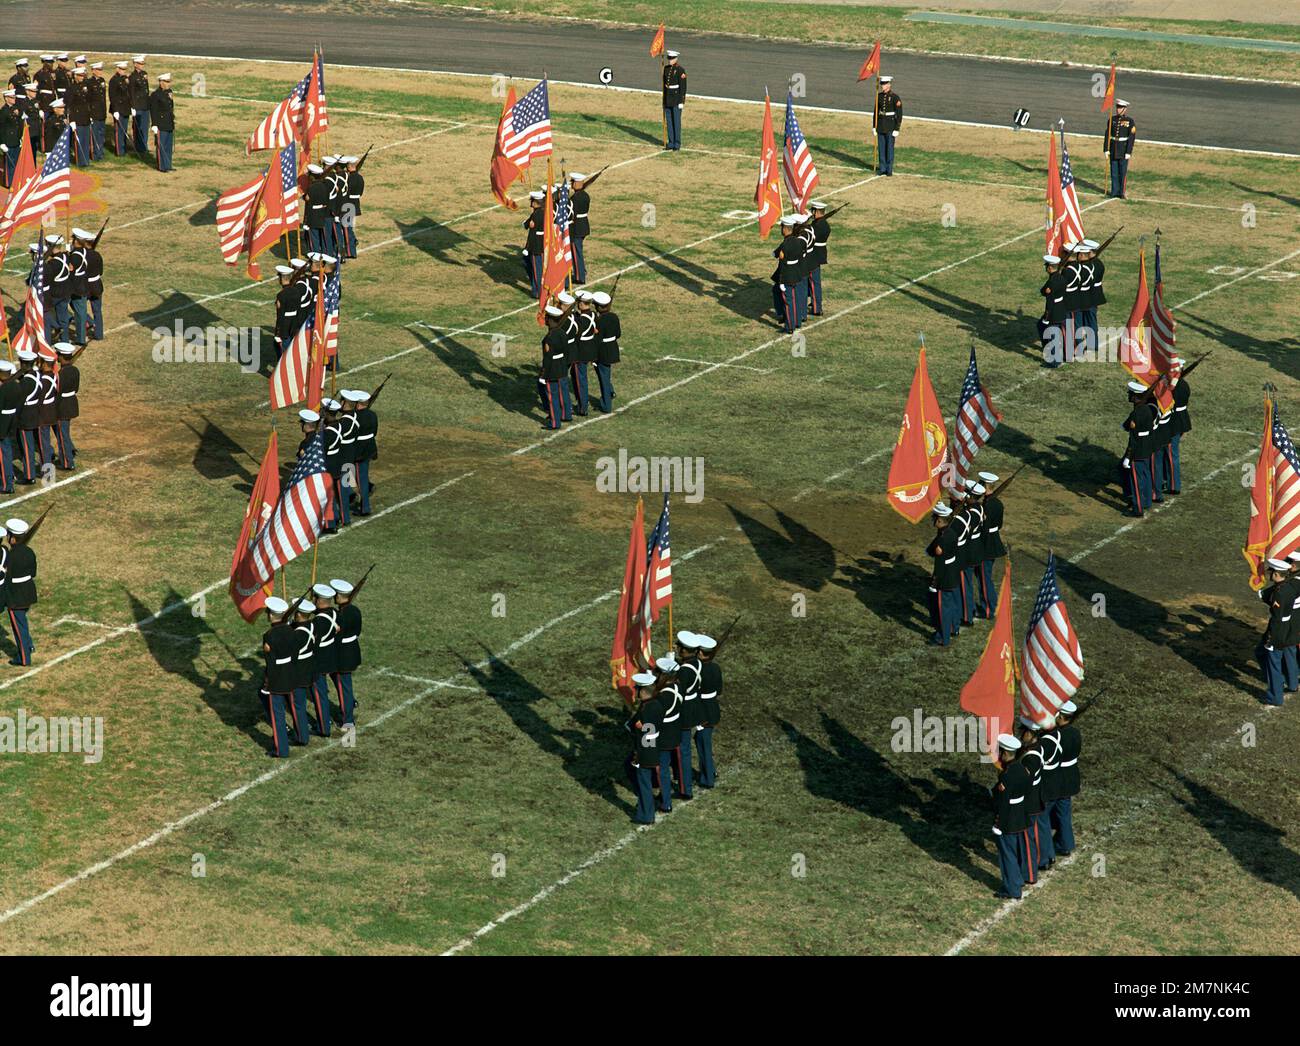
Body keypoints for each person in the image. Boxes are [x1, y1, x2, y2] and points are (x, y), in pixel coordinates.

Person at [991, 734, 1031, 900]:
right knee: (1015, 851)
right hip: (1020, 815)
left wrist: (998, 824)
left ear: (1006, 753)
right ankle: (1018, 879)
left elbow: (1004, 803)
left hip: (1008, 819)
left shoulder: (1006, 776)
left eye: (1001, 752)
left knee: (1007, 854)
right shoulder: (1022, 769)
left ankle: (1012, 888)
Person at [1257, 558, 1299, 706]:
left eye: (1271, 572)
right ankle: (1287, 683)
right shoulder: (1290, 586)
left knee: (1273, 663)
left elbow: (1278, 619)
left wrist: (1272, 639)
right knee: (1268, 654)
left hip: (1279, 632)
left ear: (1276, 574)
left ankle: (1275, 697)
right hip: (1289, 629)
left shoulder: (1280, 593)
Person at [625, 671, 663, 825]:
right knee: (644, 783)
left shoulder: (646, 710)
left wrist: (638, 754)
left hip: (646, 752)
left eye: (637, 689)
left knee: (644, 785)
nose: (636, 691)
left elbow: (646, 737)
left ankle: (646, 815)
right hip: (654, 749)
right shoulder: (656, 705)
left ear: (643, 691)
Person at [260, 596, 296, 758]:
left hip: (276, 676)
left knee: (277, 714)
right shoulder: (291, 630)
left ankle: (281, 749)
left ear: (271, 615)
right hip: (290, 672)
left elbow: (268, 657)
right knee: (294, 706)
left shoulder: (270, 635)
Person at [1019, 716, 1054, 874]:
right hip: (1039, 793)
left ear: (1031, 734)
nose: (1021, 734)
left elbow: (1026, 781)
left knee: (1033, 835)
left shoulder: (1031, 757)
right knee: (1042, 827)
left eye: (1023, 732)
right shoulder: (1038, 747)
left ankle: (1041, 861)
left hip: (1031, 798)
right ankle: (1047, 856)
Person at [4, 517, 38, 666]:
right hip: (28, 592)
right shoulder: (29, 552)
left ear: (13, 538)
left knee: (18, 627)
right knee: (22, 622)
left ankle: (24, 657)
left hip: (16, 597)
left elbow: (7, 578)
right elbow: (33, 572)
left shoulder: (11, 556)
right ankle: (29, 645)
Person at [926, 502, 961, 646]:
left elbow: (939, 562)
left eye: (935, 518)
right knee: (950, 604)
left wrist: (935, 581)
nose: (933, 520)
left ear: (940, 520)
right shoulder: (948, 532)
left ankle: (943, 637)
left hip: (944, 576)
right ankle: (953, 628)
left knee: (943, 608)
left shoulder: (943, 538)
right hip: (952, 572)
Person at [673, 630, 701, 800]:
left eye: (679, 646)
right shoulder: (695, 663)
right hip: (692, 707)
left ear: (685, 650)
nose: (676, 647)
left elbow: (678, 691)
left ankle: (685, 789)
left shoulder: (684, 670)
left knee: (682, 751)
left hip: (683, 712)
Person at [652, 654, 683, 811]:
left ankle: (666, 802)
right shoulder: (677, 688)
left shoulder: (663, 697)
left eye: (658, 673)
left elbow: (655, 719)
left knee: (661, 770)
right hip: (674, 733)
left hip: (663, 737)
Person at [330, 578, 361, 729]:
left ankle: (347, 719)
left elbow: (336, 634)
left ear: (340, 596)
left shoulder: (342, 615)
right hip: (352, 651)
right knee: (343, 684)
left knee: (344, 687)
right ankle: (350, 703)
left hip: (342, 655)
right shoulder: (354, 610)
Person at [1120, 380, 1155, 516]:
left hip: (1138, 450)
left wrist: (1128, 457)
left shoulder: (1136, 414)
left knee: (1136, 480)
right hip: (1147, 446)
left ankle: (1138, 508)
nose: (1128, 396)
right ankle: (1146, 502)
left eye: (1130, 394)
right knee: (1145, 475)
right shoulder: (1146, 409)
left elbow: (1133, 439)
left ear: (1135, 396)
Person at [309, 582, 339, 736]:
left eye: (315, 598)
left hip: (318, 661)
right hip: (329, 657)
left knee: (319, 695)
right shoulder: (333, 613)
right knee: (321, 693)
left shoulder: (318, 622)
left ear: (320, 601)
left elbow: (313, 643)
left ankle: (323, 726)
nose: (313, 601)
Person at [1052, 700, 1081, 854]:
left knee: (1059, 813)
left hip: (1059, 778)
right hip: (1071, 776)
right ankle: (1065, 842)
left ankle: (1064, 843)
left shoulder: (1057, 736)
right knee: (1063, 812)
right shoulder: (1075, 732)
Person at [976, 471, 1006, 615]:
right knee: (985, 574)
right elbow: (999, 524)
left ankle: (988, 608)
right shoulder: (997, 503)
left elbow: (983, 528)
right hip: (993, 541)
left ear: (984, 486)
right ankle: (990, 603)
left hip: (985, 544)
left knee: (984, 576)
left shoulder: (985, 506)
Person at [694, 633, 722, 787]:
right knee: (703, 740)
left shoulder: (698, 670)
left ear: (700, 653)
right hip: (712, 706)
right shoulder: (716, 668)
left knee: (703, 742)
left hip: (702, 709)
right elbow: (719, 690)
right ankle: (710, 770)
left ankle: (708, 778)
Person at [539, 304, 571, 430]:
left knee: (552, 396)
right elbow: (566, 351)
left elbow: (547, 358)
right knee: (562, 393)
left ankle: (554, 422)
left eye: (547, 318)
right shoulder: (562, 333)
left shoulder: (549, 338)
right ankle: (566, 414)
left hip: (552, 369)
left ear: (551, 320)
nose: (545, 320)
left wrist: (543, 372)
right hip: (562, 366)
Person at [289, 598, 316, 744]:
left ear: (299, 614)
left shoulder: (298, 634)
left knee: (297, 705)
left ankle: (301, 737)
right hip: (307, 668)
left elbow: (289, 651)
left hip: (298, 672)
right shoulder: (311, 625)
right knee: (300, 704)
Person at [569, 290, 597, 416]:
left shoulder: (581, 320)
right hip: (588, 349)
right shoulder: (593, 315)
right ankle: (582, 404)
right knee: (581, 378)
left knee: (580, 380)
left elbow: (576, 334)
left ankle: (582, 407)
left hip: (579, 352)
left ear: (581, 303)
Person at [15, 351, 41, 485]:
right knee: (30, 444)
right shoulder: (36, 375)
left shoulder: (26, 381)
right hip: (34, 413)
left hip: (25, 417)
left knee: (27, 446)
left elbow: (19, 400)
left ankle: (29, 475)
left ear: (24, 364)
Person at [352, 389, 378, 515]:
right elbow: (374, 432)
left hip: (359, 451)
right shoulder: (373, 415)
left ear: (358, 404)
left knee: (359, 477)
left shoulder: (355, 417)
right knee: (361, 475)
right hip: (370, 448)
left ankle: (365, 507)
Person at [53, 342, 80, 470]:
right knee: (65, 432)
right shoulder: (75, 370)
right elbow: (76, 388)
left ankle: (67, 462)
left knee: (62, 435)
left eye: (58, 355)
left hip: (62, 407)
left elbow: (57, 392)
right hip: (71, 404)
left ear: (62, 356)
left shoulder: (60, 374)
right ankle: (70, 451)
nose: (57, 357)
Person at [772, 216, 800, 333]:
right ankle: (794, 322)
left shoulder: (785, 245)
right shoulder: (797, 241)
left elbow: (782, 264)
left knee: (788, 302)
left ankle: (789, 326)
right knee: (792, 300)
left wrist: (782, 281)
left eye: (782, 227)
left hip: (787, 276)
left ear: (785, 229)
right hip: (795, 273)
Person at [593, 290, 620, 413]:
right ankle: (610, 391)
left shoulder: (599, 320)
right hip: (613, 348)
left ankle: (606, 405)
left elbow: (597, 340)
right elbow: (618, 334)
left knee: (603, 377)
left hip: (602, 351)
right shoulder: (614, 317)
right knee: (605, 374)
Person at [1104, 99, 1136, 198]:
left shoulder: (1130, 121)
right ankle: (1114, 191)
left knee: (1122, 172)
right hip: (1114, 148)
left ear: (1125, 109)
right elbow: (1107, 135)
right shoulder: (1111, 119)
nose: (1118, 109)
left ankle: (1122, 192)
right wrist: (1106, 149)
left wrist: (1128, 151)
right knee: (1114, 171)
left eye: (1120, 108)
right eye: (1117, 107)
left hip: (1123, 149)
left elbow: (1131, 138)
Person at [1168, 356, 1190, 494]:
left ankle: (1174, 485)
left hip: (1174, 421)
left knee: (1171, 453)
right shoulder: (1184, 384)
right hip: (1182, 419)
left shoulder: (1173, 387)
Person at [873, 75, 902, 175]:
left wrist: (897, 128)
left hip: (890, 126)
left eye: (884, 84)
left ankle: (889, 169)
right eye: (882, 84)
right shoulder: (879, 96)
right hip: (881, 125)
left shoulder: (895, 97)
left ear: (889, 85)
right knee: (881, 148)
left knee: (889, 148)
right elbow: (876, 112)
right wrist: (874, 126)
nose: (882, 86)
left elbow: (899, 113)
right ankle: (882, 168)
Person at [807, 201, 831, 315]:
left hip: (813, 256)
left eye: (813, 211)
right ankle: (814, 301)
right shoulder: (822, 224)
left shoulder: (817, 226)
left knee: (814, 282)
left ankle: (817, 307)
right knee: (812, 281)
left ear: (817, 212)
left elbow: (809, 237)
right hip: (818, 254)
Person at [0, 362, 20, 494]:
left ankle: (7, 485)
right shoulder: (16, 386)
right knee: (7, 451)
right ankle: (10, 475)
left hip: (2, 424)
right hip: (11, 423)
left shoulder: (3, 390)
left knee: (2, 455)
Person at [568, 172, 592, 282]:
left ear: (578, 183)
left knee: (576, 253)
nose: (572, 184)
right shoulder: (585, 195)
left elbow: (572, 214)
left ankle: (579, 277)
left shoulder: (575, 198)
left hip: (576, 227)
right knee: (578, 251)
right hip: (583, 225)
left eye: (573, 182)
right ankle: (581, 271)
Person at [149, 72, 175, 171]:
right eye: (166, 82)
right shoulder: (156, 95)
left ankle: (168, 165)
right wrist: (154, 124)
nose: (169, 84)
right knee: (161, 146)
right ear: (161, 82)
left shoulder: (169, 92)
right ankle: (162, 166)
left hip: (168, 122)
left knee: (168, 146)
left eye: (169, 82)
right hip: (161, 123)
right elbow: (154, 110)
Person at [66, 65, 91, 166]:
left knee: (86, 140)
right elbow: (69, 105)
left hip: (85, 116)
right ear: (75, 76)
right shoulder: (71, 88)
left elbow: (89, 101)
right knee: (79, 140)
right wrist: (71, 120)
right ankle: (80, 161)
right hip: (77, 118)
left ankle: (85, 160)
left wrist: (90, 115)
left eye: (83, 75)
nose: (82, 77)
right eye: (80, 75)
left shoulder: (85, 87)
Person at [661, 50, 686, 151]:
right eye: (669, 58)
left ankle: (677, 143)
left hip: (676, 98)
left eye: (671, 58)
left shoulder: (680, 70)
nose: (669, 60)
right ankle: (671, 142)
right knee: (669, 121)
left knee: (676, 121)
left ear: (676, 58)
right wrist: (664, 100)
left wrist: (681, 101)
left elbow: (683, 87)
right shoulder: (666, 69)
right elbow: (665, 86)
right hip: (668, 98)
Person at [521, 189, 545, 296]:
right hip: (540, 243)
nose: (531, 203)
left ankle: (537, 291)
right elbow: (526, 224)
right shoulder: (539, 212)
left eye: (532, 201)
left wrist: (527, 248)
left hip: (536, 244)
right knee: (535, 266)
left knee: (537, 269)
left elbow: (532, 234)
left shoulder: (537, 215)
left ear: (536, 202)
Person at [128, 55, 150, 155]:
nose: (142, 65)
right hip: (137, 106)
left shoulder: (144, 74)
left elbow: (146, 90)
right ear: (135, 64)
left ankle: (144, 146)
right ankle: (138, 147)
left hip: (145, 104)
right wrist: (132, 106)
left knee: (145, 127)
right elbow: (131, 92)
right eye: (140, 63)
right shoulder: (132, 77)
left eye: (142, 63)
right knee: (138, 127)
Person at [108, 61, 130, 155]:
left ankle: (124, 148)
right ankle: (119, 150)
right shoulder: (114, 80)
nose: (123, 71)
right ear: (117, 69)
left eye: (124, 69)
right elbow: (112, 96)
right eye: (121, 69)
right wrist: (115, 110)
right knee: (119, 130)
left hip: (125, 108)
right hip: (118, 109)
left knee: (124, 129)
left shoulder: (125, 79)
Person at [0, 89, 21, 186]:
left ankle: (15, 181)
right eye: (12, 97)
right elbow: (1, 127)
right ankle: (10, 183)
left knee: (16, 163)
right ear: (6, 98)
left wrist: (20, 137)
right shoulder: (4, 111)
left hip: (16, 140)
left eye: (15, 97)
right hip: (8, 141)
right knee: (10, 165)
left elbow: (17, 124)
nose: (14, 99)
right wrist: (1, 142)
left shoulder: (15, 109)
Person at [86, 62, 107, 160]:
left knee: (101, 133)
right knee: (94, 134)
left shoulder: (102, 81)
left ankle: (100, 152)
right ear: (93, 71)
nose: (100, 72)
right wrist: (89, 113)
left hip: (102, 112)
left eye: (101, 69)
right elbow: (87, 99)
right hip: (94, 112)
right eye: (98, 70)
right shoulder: (89, 82)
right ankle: (95, 154)